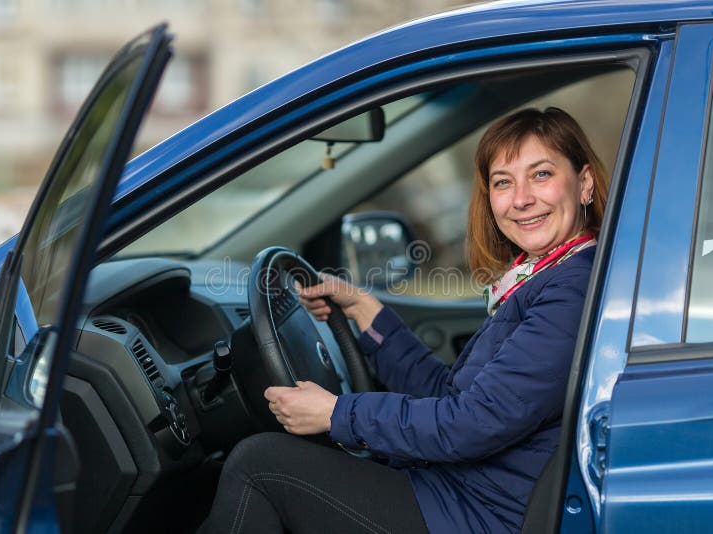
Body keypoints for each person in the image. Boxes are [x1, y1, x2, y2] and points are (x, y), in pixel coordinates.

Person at [200, 107, 608, 533]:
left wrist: (337, 413)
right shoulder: (542, 277)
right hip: (461, 491)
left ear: (584, 183)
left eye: (541, 174)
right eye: (503, 182)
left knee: (259, 466)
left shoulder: (571, 291)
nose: (521, 198)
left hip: (481, 514)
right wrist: (366, 311)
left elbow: (471, 423)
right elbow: (452, 396)